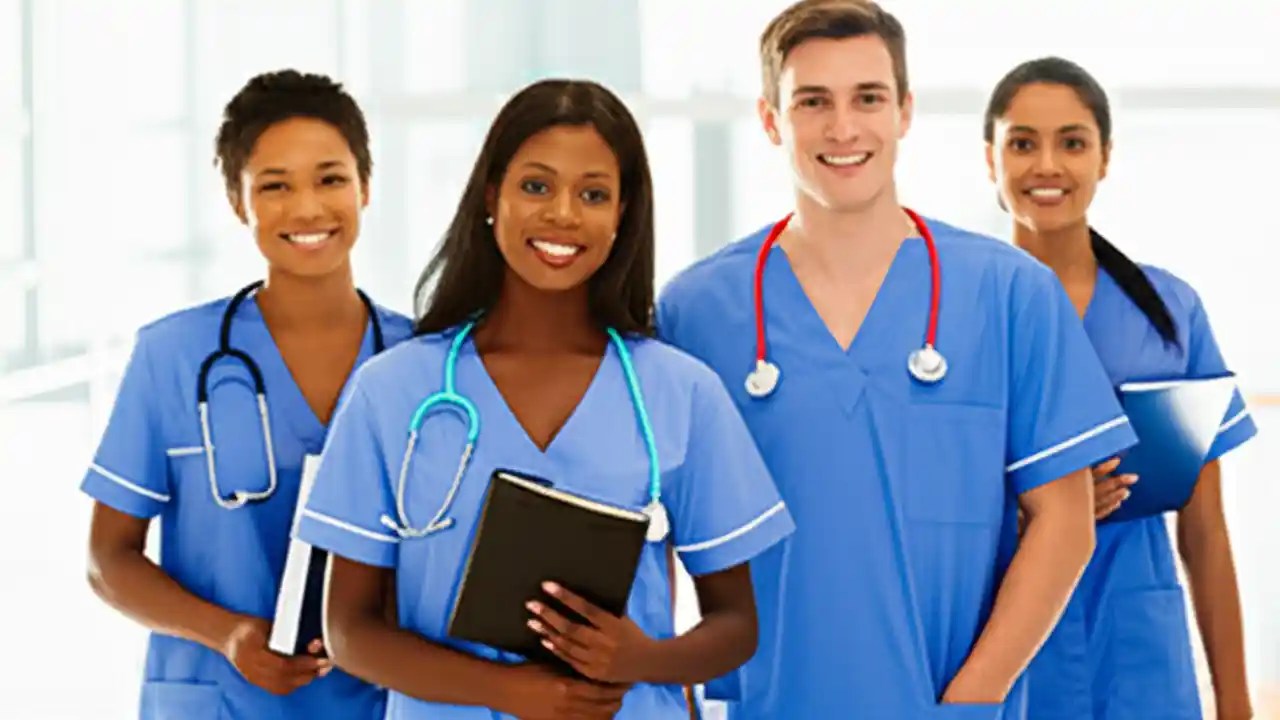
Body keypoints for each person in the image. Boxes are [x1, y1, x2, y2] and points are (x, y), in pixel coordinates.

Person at [655, 2, 1142, 717]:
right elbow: (662, 528)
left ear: (905, 111)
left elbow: (1064, 521)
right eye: (813, 101)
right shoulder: (697, 310)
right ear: (770, 119)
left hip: (946, 702)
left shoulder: (1007, 293)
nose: (844, 128)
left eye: (869, 98)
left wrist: (974, 697)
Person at [294, 78, 795, 720]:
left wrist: (637, 659)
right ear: (489, 196)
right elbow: (350, 632)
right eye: (536, 186)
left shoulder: (678, 391)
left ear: (622, 216)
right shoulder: (394, 392)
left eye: (593, 194)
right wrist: (509, 691)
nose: (562, 214)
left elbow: (735, 626)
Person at [81, 70, 411, 719]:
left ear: (366, 187)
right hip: (217, 700)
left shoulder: (423, 366)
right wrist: (227, 634)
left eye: (330, 178)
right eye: (275, 186)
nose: (308, 208)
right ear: (239, 200)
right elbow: (108, 559)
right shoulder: (172, 357)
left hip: (377, 702)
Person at [984, 56, 1259, 720]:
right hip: (1007, 637)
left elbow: (1205, 529)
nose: (1047, 165)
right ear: (989, 158)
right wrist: (1033, 513)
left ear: (1105, 157)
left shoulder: (1170, 311)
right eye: (1022, 143)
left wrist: (1236, 703)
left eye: (1072, 142)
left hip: (1141, 640)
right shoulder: (957, 315)